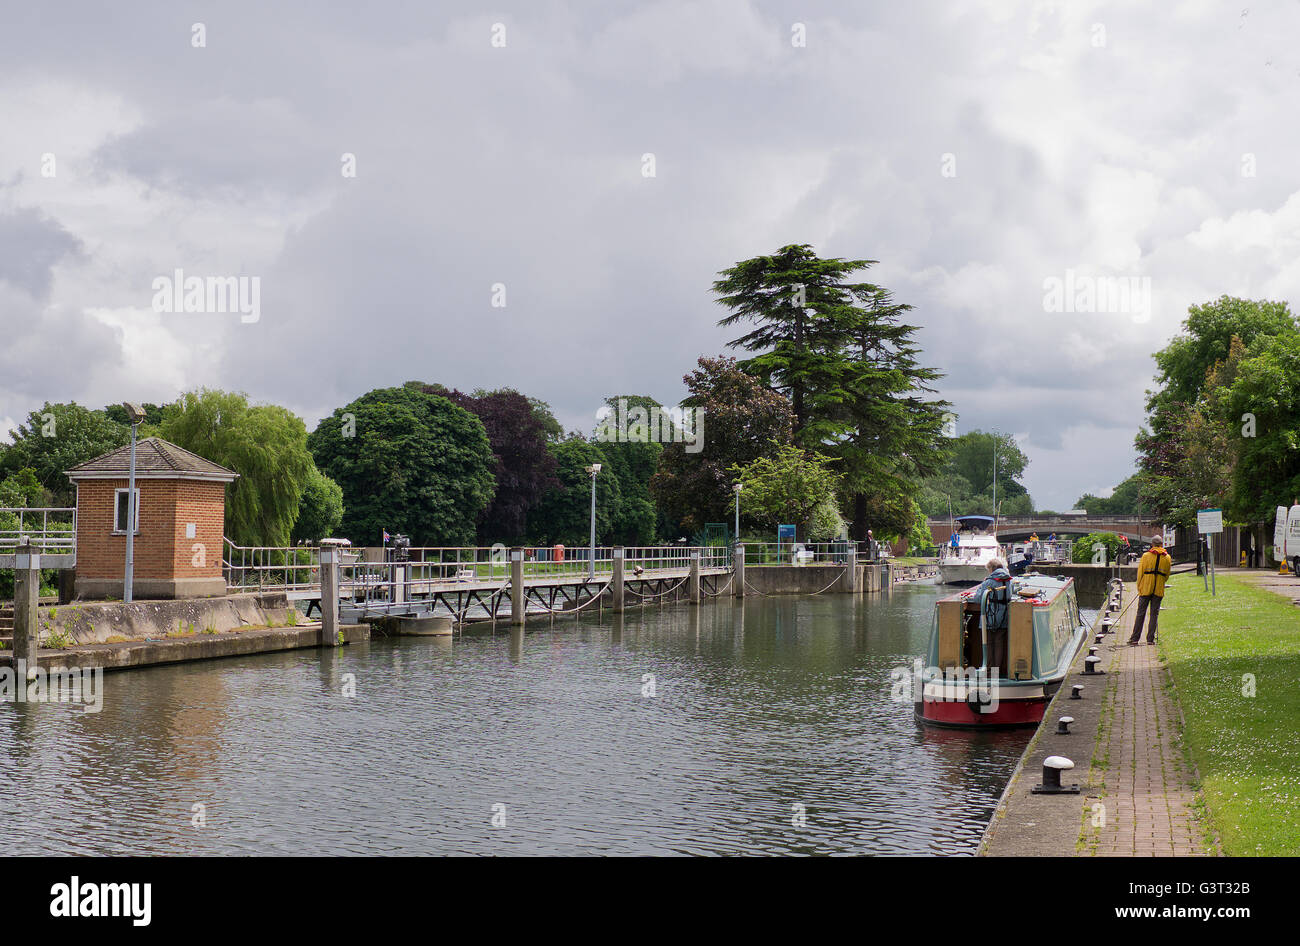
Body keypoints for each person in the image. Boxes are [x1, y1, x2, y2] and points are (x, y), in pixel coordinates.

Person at [968, 558, 1011, 672]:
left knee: (989, 641)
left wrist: (980, 588)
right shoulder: (1008, 580)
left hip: (991, 615)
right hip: (1004, 615)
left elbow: (978, 598)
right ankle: (997, 668)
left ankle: (988, 668)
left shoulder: (989, 581)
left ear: (992, 569)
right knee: (999, 642)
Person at [1129, 535, 1172, 645]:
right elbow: (1167, 575)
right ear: (1161, 544)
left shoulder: (1146, 556)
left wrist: (1139, 587)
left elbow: (1140, 573)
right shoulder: (1167, 557)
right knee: (1154, 614)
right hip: (1158, 589)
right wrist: (1161, 582)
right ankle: (1150, 639)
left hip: (1146, 588)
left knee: (1140, 613)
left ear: (1152, 544)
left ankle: (1134, 639)